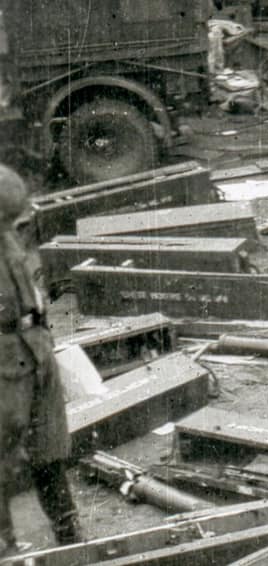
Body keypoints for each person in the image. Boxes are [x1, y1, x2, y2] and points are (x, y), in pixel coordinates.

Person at [0, 165, 80, 556]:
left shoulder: (11, 237)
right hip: (7, 356)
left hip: (35, 346)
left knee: (49, 447)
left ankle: (68, 531)